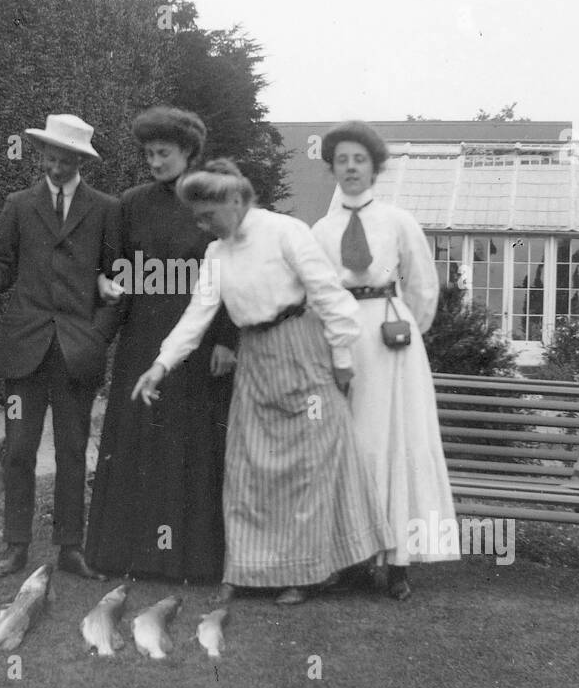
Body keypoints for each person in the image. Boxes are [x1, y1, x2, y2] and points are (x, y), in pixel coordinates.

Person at [131, 159, 390, 605]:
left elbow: (329, 295)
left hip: (302, 350)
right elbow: (198, 315)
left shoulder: (286, 232)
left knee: (309, 466)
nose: (201, 224)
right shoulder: (216, 253)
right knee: (249, 466)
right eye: (195, 216)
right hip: (254, 357)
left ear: (234, 200)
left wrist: (343, 357)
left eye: (207, 214)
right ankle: (248, 571)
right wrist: (161, 364)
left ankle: (305, 574)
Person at [0, 114, 120, 580]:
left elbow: (119, 276)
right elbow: (2, 269)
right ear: (42, 153)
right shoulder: (19, 205)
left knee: (72, 451)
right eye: (50, 155)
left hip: (77, 353)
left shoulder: (106, 209)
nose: (55, 165)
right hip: (24, 351)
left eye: (65, 158)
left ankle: (70, 548)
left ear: (80, 160)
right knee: (20, 449)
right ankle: (16, 547)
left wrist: (98, 335)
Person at [84, 107, 237, 582]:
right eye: (148, 153)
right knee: (139, 438)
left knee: (189, 444)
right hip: (142, 339)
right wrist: (104, 296)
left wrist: (227, 340)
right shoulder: (130, 203)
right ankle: (124, 555)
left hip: (199, 340)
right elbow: (116, 270)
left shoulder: (214, 199)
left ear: (189, 154)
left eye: (164, 153)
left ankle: (191, 560)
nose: (155, 161)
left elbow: (234, 272)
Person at [315, 122, 460, 600]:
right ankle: (352, 558)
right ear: (332, 167)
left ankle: (398, 561)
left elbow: (422, 287)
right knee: (352, 447)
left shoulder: (399, 221)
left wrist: (403, 334)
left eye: (360, 160)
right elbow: (316, 293)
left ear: (374, 168)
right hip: (341, 337)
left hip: (390, 343)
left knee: (395, 442)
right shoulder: (321, 229)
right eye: (342, 160)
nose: (351, 168)